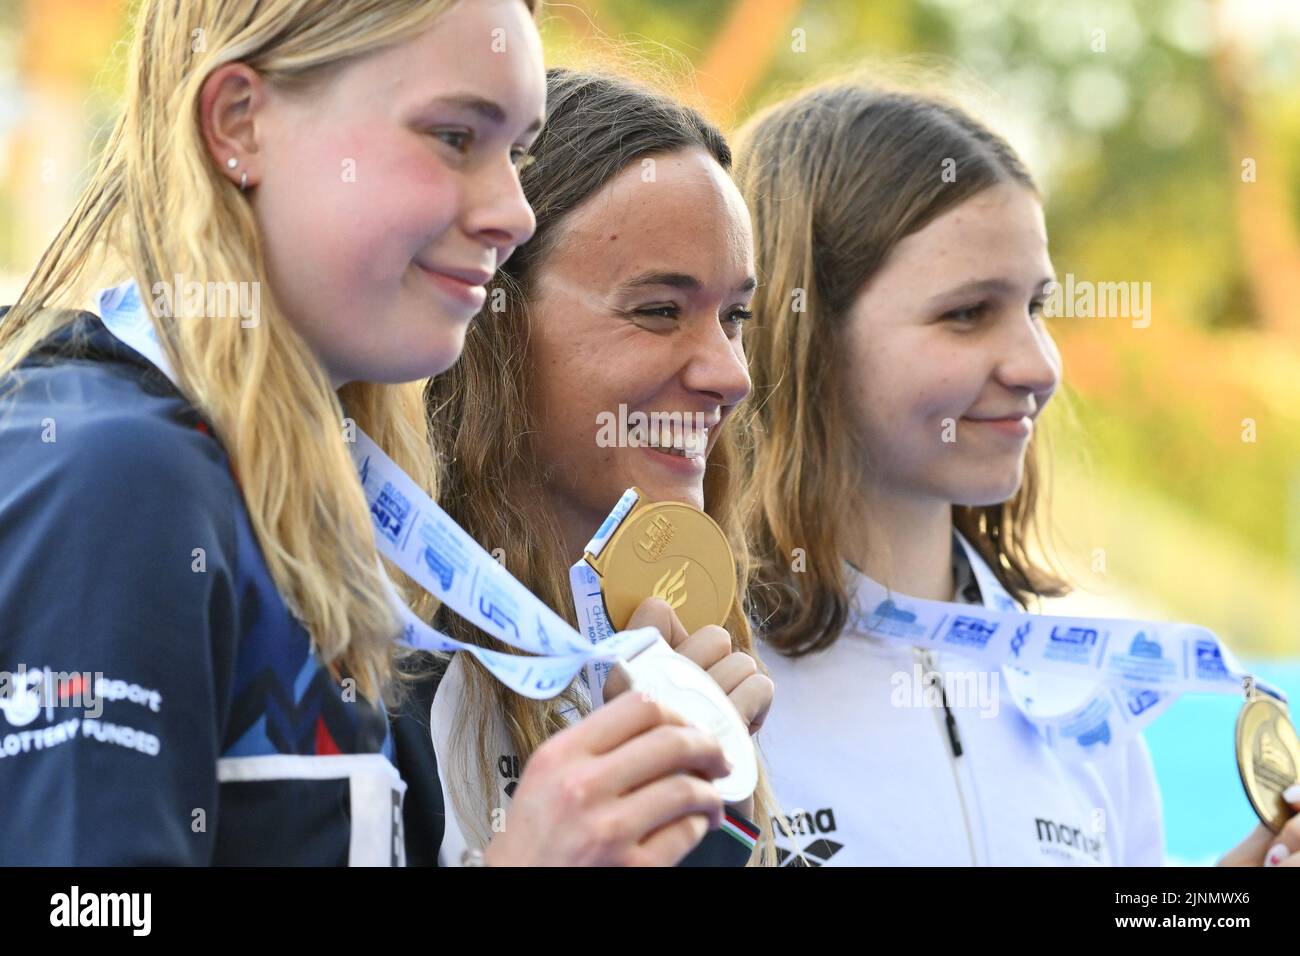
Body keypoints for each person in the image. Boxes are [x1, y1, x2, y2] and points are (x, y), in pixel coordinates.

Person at [0, 0, 736, 867]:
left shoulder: (304, 487)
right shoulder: (117, 474)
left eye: (518, 152)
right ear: (240, 122)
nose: (512, 209)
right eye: (457, 137)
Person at [733, 78, 1300, 866]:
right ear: (807, 335)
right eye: (968, 313)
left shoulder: (1074, 690)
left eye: (1036, 305)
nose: (1038, 366)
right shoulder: (707, 687)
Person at [395, 68, 778, 865]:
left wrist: (705, 827)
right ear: (489, 318)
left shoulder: (707, 668)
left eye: (734, 316)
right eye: (659, 311)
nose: (731, 374)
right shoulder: (374, 663)